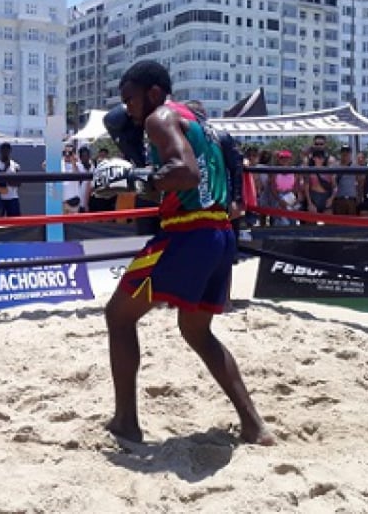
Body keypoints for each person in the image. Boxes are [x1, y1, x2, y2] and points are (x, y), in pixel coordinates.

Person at [92, 59, 274, 446]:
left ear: (153, 93)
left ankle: (126, 422)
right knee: (198, 332)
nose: (128, 110)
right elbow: (219, 164)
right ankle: (254, 425)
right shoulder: (198, 119)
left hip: (185, 235)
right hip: (220, 234)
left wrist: (135, 177)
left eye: (130, 100)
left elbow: (185, 173)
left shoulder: (160, 118)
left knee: (118, 316)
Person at [303, 149, 336, 214]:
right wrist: (310, 203)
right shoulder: (309, 171)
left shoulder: (329, 171)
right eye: (318, 157)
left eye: (322, 157)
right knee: (311, 221)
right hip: (314, 198)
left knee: (328, 221)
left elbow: (335, 187)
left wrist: (331, 199)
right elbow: (306, 188)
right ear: (313, 158)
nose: (320, 159)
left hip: (326, 198)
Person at [0, 142, 22, 217]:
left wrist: (6, 180)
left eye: (7, 149)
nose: (5, 152)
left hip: (12, 197)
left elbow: (19, 183)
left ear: (10, 151)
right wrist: (5, 169)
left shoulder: (15, 165)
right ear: (0, 151)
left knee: (15, 222)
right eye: (3, 149)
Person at [332, 145, 359, 216]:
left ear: (350, 154)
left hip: (351, 199)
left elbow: (359, 183)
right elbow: (333, 183)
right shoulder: (335, 166)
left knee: (352, 223)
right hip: (339, 199)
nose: (345, 154)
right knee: (339, 223)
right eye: (343, 152)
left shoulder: (355, 167)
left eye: (347, 152)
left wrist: (359, 197)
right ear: (340, 153)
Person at [61, 145, 82, 214]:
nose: (67, 155)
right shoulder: (59, 164)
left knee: (73, 224)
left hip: (72, 202)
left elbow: (77, 175)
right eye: (64, 152)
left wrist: (73, 161)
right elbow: (44, 165)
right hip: (61, 202)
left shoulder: (78, 165)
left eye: (69, 153)